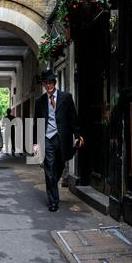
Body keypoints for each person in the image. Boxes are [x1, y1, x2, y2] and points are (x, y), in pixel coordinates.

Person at [33, 69, 84, 212]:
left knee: (59, 166)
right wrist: (36, 143)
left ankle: (52, 183)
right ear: (43, 85)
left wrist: (77, 135)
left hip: (62, 138)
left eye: (50, 82)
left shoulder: (66, 97)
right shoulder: (40, 102)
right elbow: (37, 123)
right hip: (47, 138)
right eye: (45, 83)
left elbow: (73, 118)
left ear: (54, 83)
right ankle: (53, 201)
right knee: (49, 168)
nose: (48, 85)